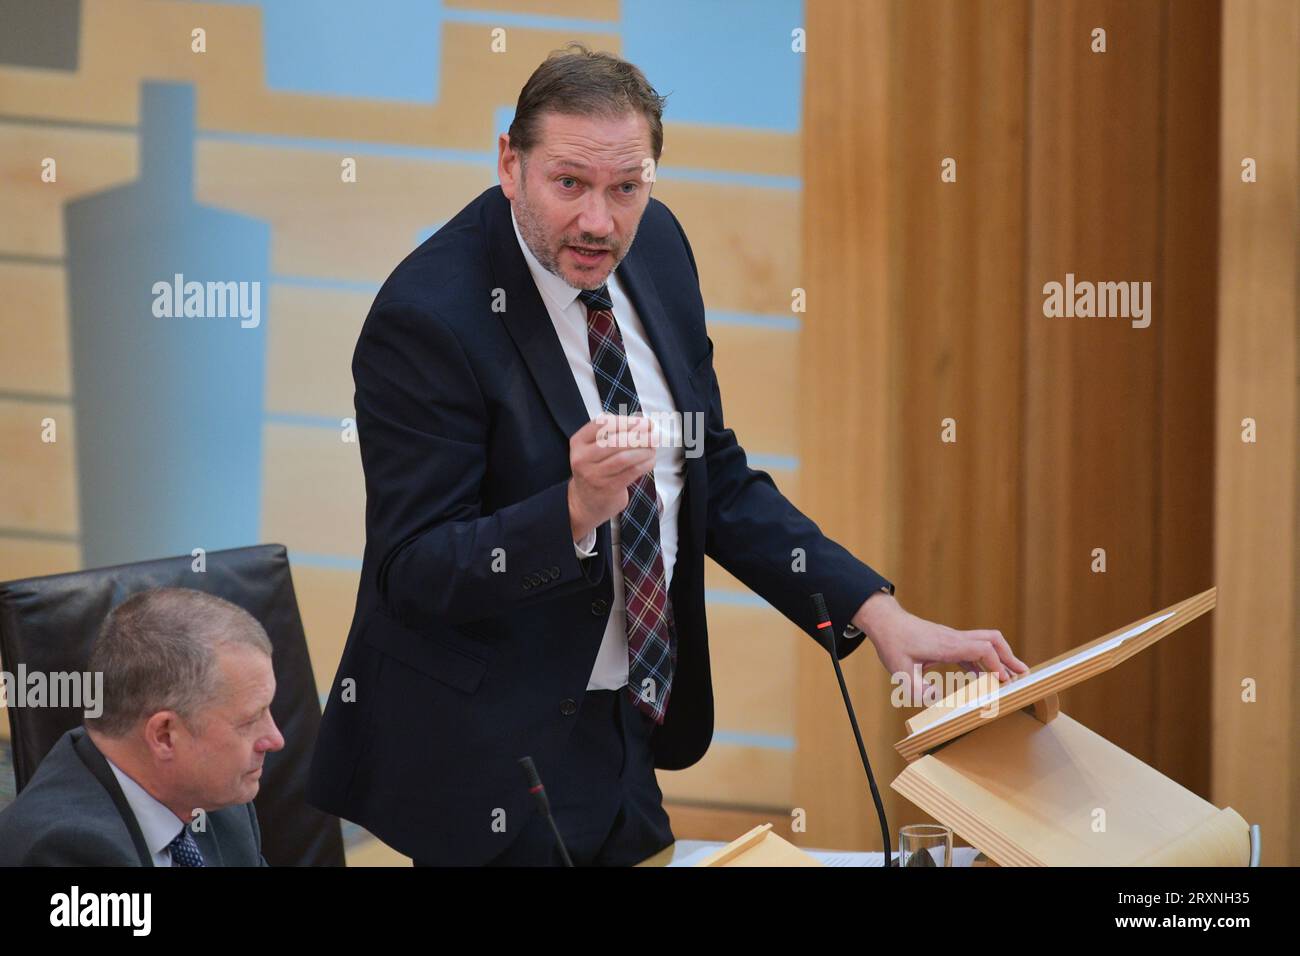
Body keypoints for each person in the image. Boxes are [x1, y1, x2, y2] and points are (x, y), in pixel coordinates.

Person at [308, 42, 1027, 866]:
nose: (598, 222)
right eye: (568, 183)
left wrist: (874, 611)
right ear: (510, 164)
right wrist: (571, 512)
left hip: (627, 730)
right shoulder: (429, 318)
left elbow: (711, 474)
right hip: (489, 759)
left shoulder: (656, 251)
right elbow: (415, 568)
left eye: (627, 188)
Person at [0, 588, 283, 866]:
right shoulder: (67, 849)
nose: (275, 739)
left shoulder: (219, 799)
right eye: (249, 721)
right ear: (164, 736)